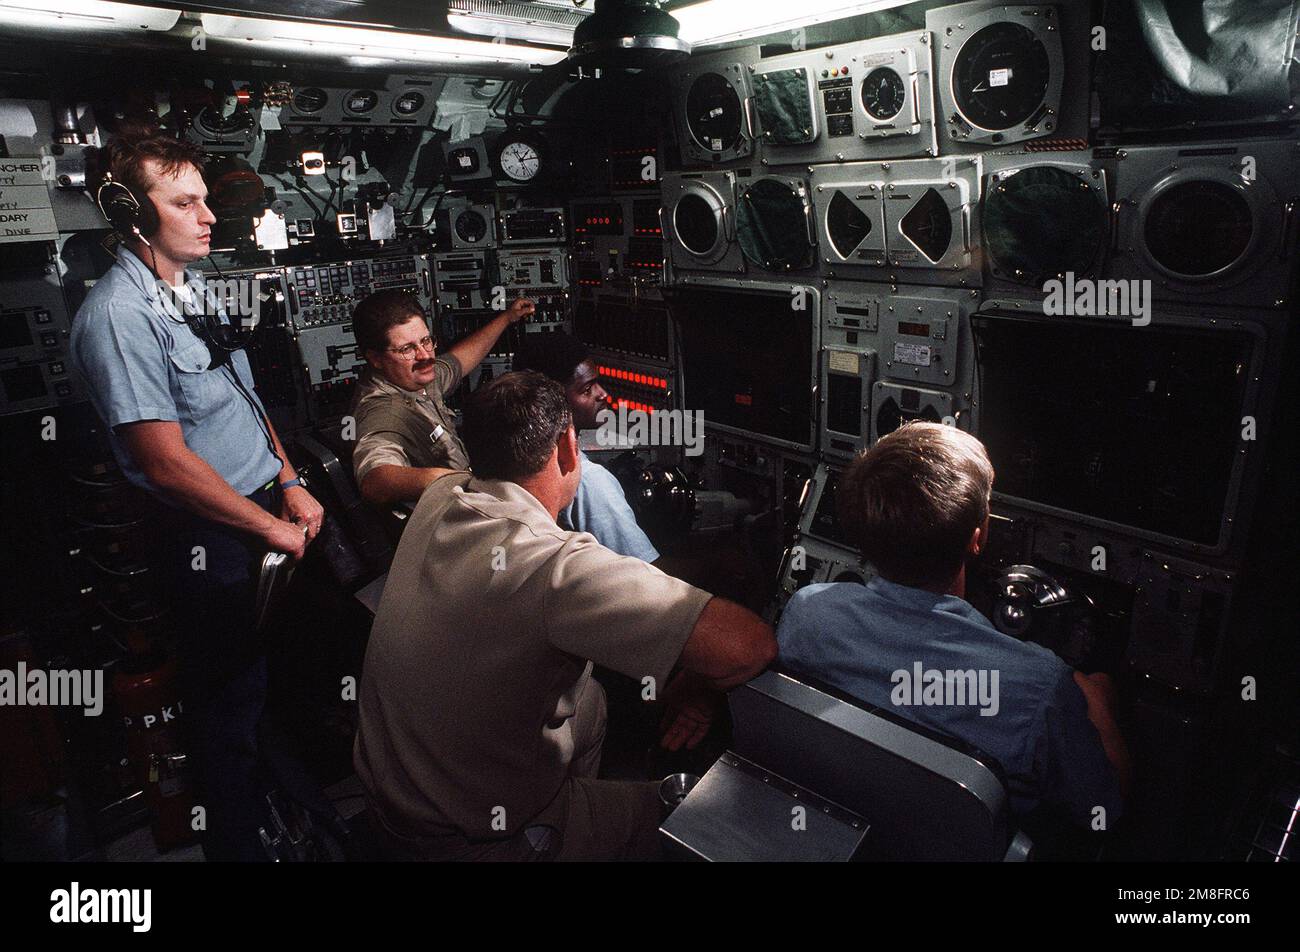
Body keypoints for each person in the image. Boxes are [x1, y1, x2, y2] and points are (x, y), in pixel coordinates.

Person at [354, 372, 776, 861]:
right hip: (469, 840)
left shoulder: (439, 494)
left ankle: (561, 813)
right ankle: (551, 835)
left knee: (590, 701)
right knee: (695, 812)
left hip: (387, 801)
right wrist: (698, 688)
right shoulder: (557, 566)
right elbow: (751, 647)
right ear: (567, 447)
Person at [69, 127, 324, 860]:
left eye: (206, 200)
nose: (210, 216)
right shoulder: (119, 317)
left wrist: (290, 478)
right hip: (206, 537)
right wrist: (268, 528)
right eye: (186, 202)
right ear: (133, 214)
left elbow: (242, 395)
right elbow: (166, 464)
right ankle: (237, 845)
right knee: (225, 708)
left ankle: (295, 811)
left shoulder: (192, 288)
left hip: (258, 508)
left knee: (267, 687)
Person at [775, 422, 1131, 827]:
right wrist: (1098, 699)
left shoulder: (806, 613)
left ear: (860, 536)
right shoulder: (1040, 684)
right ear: (978, 538)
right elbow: (1104, 809)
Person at [348, 289, 533, 507]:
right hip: (455, 515)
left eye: (426, 340)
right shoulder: (381, 410)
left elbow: (459, 359)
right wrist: (461, 481)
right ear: (375, 358)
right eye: (407, 348)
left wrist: (507, 317)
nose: (425, 355)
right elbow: (375, 481)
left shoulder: (412, 377)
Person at [513, 330, 658, 561]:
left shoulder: (512, 460)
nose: (602, 394)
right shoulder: (590, 483)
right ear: (552, 399)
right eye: (586, 389)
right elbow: (651, 577)